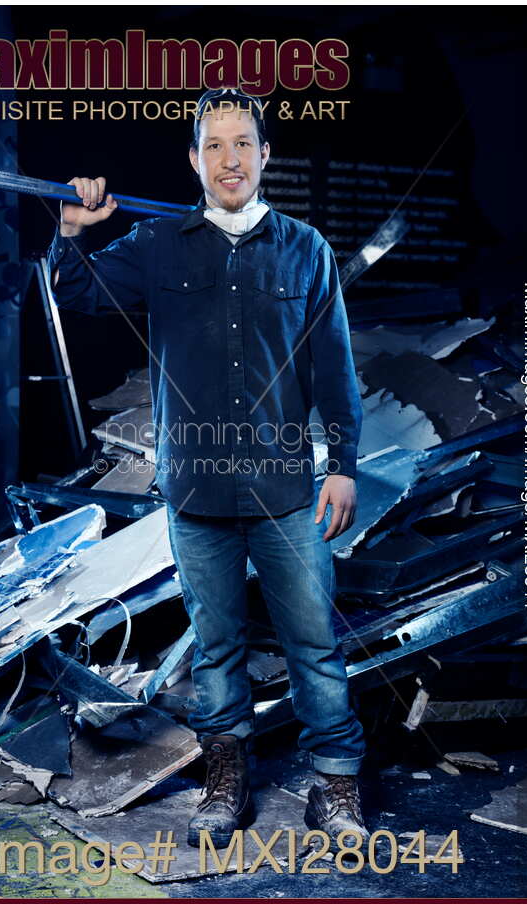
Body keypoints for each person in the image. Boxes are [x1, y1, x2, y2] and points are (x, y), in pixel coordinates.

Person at [48, 88, 367, 850]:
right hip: (196, 493)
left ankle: (337, 785)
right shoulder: (159, 246)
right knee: (215, 646)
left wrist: (345, 465)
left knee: (315, 640)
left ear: (265, 156)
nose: (230, 159)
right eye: (214, 145)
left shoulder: (306, 250)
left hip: (287, 491)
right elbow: (74, 295)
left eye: (243, 144)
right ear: (195, 159)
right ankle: (226, 782)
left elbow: (336, 368)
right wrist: (71, 233)